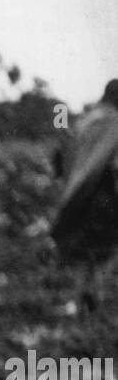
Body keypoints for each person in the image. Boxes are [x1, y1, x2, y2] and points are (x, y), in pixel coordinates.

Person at [51, 79, 118, 315]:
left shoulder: (87, 120)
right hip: (107, 192)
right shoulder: (114, 122)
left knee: (82, 249)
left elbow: (66, 148)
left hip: (81, 192)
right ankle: (93, 294)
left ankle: (80, 298)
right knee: (105, 248)